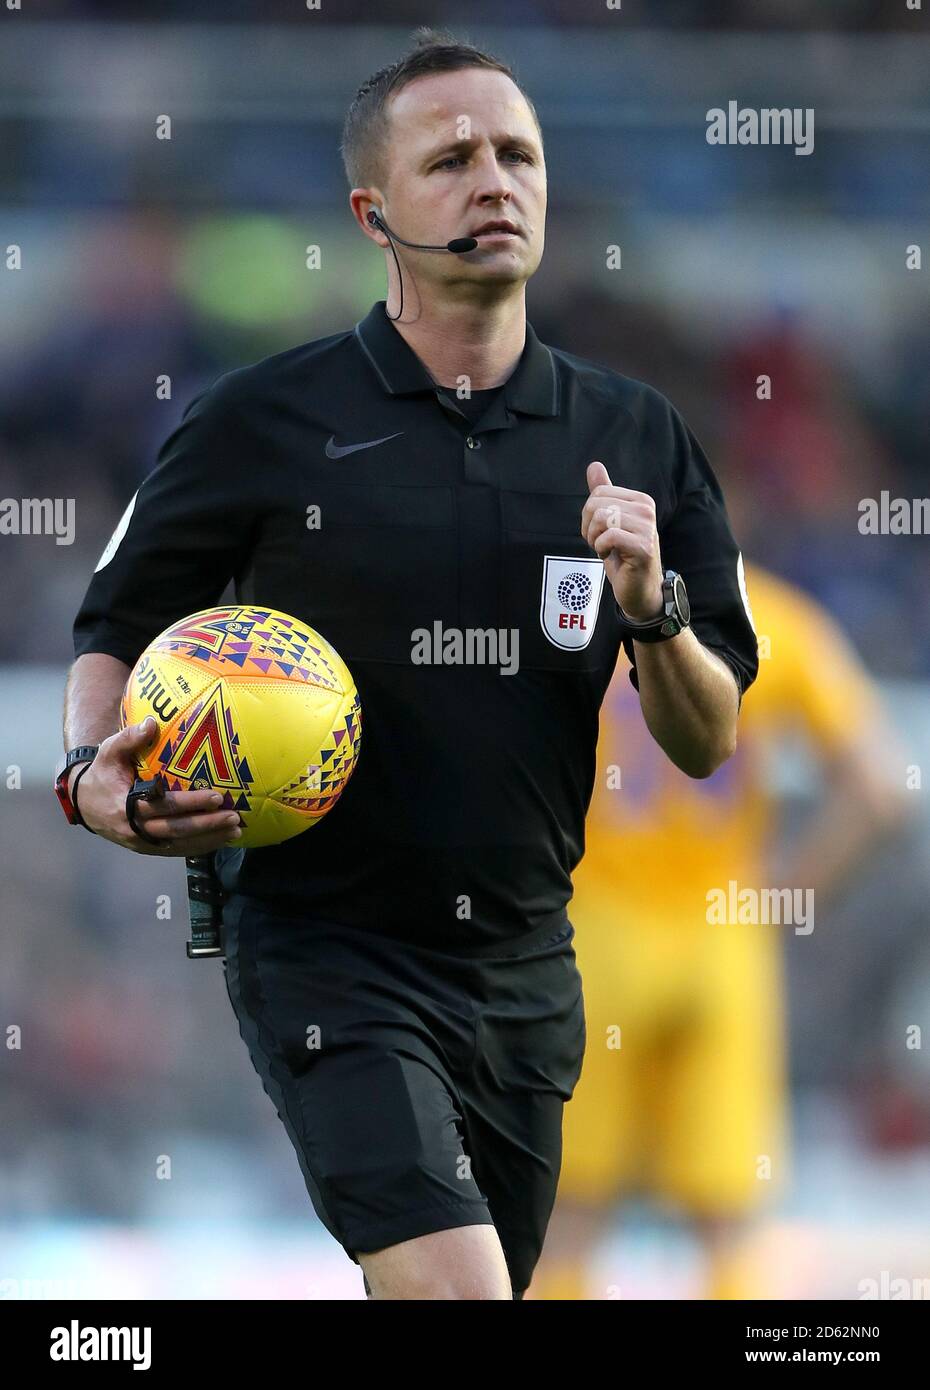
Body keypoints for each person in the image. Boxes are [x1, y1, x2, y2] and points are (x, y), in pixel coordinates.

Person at [57, 28, 757, 1300]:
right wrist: (86, 778)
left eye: (519, 153)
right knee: (455, 1288)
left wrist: (653, 612)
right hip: (324, 946)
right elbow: (113, 624)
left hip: (529, 964)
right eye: (455, 159)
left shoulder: (636, 434)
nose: (498, 180)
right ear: (374, 214)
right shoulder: (260, 419)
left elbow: (710, 740)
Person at [533, 561, 907, 1300]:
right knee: (730, 1222)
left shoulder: (567, 614)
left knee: (569, 1213)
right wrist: (783, 899)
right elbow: (881, 790)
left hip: (590, 942)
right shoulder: (776, 618)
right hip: (720, 939)